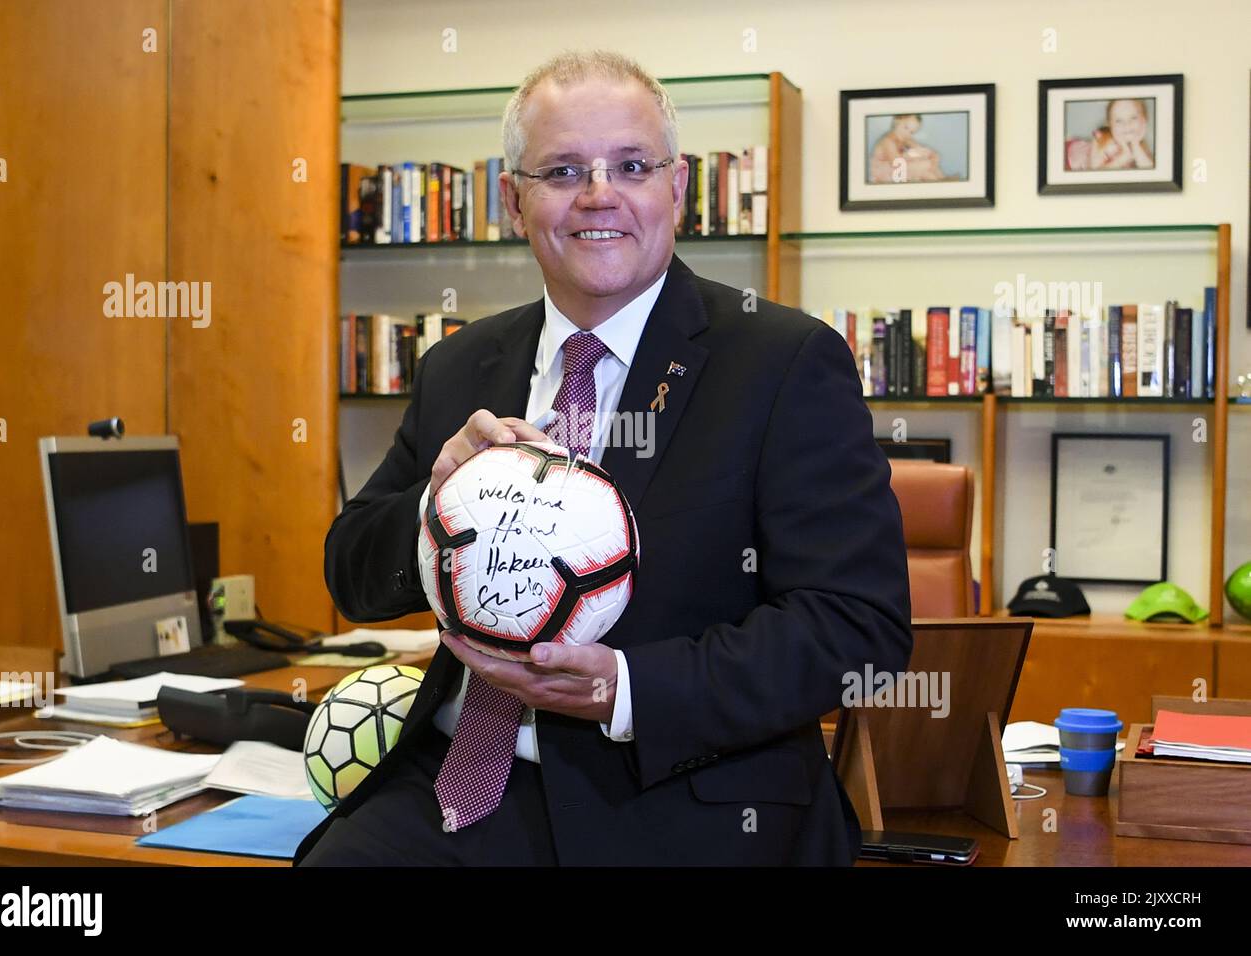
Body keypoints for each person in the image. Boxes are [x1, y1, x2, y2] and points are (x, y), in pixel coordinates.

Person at [296, 50, 911, 867]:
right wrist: (429, 504)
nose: (598, 194)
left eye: (630, 165)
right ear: (515, 201)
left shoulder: (783, 361)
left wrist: (623, 689)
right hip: (456, 785)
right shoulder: (461, 365)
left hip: (681, 798)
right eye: (561, 170)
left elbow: (858, 630)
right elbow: (351, 576)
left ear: (678, 188)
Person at [1066, 98, 1154, 171]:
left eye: (1133, 118)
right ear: (1109, 124)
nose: (1126, 124)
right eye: (1119, 121)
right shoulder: (1101, 138)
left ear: (1143, 121)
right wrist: (1124, 156)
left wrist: (1135, 144)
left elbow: (1152, 175)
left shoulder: (1141, 149)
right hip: (1069, 157)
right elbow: (1093, 174)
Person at [869, 113, 945, 183]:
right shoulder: (887, 141)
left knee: (930, 167)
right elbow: (896, 162)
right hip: (885, 172)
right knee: (925, 167)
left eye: (911, 132)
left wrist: (932, 154)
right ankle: (941, 186)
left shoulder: (906, 138)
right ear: (896, 121)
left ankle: (943, 183)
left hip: (899, 169)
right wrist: (912, 154)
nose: (907, 133)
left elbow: (920, 149)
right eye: (906, 127)